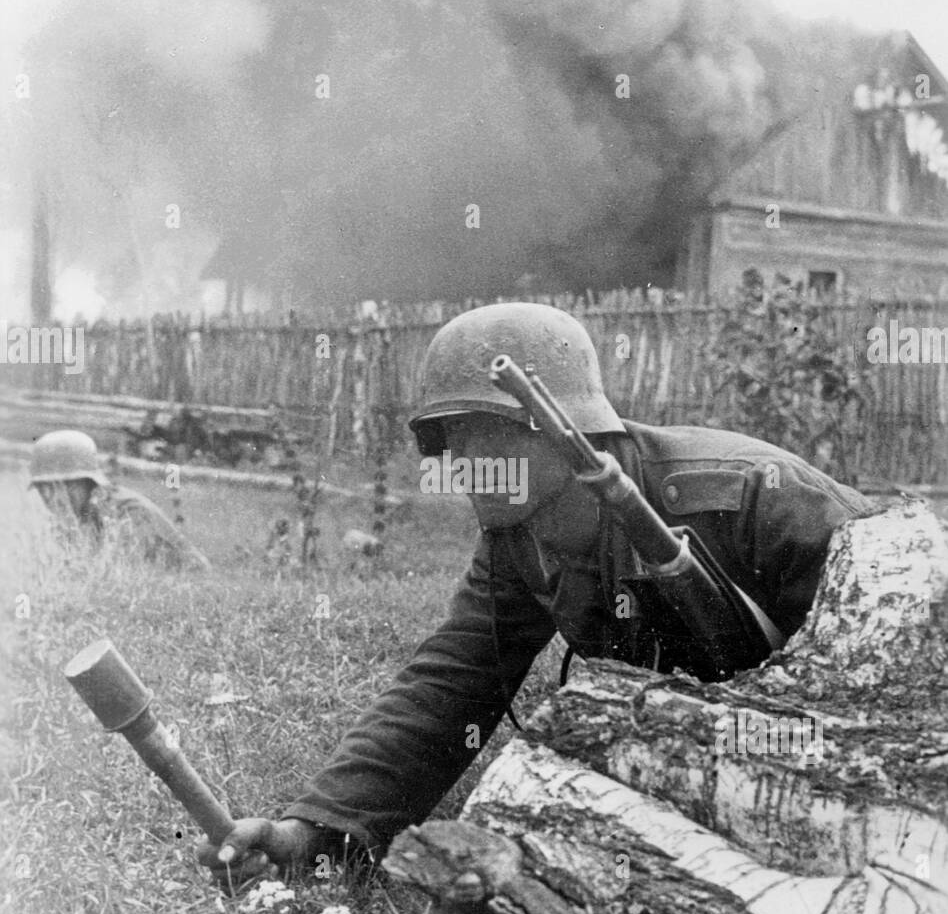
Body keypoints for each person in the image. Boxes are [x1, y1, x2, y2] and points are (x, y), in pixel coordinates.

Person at [199, 303, 874, 884]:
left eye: (483, 432)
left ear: (569, 431)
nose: (463, 464)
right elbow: (454, 682)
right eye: (450, 440)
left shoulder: (752, 498)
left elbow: (899, 651)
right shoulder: (520, 539)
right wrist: (317, 833)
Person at [29, 429, 211, 571]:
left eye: (65, 486)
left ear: (88, 483)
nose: (54, 498)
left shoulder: (127, 511)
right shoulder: (78, 516)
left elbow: (121, 573)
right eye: (45, 489)